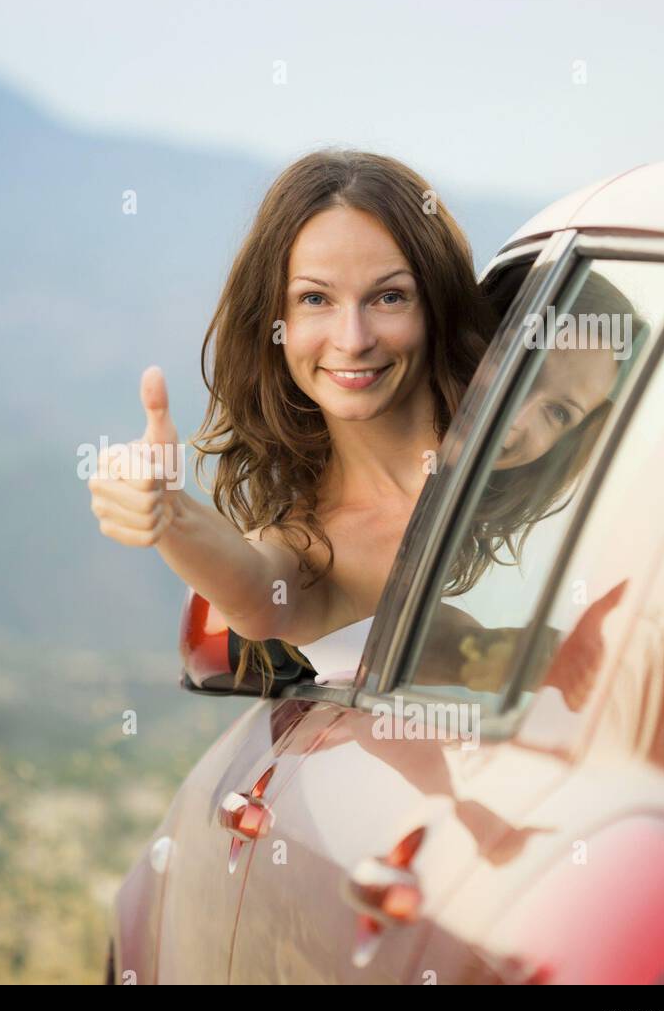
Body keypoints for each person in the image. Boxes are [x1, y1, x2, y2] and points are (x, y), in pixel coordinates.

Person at [87, 149, 497, 692]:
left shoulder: (543, 446)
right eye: (315, 299)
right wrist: (171, 514)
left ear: (436, 307)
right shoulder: (309, 552)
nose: (353, 340)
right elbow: (255, 592)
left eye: (390, 296)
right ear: (275, 325)